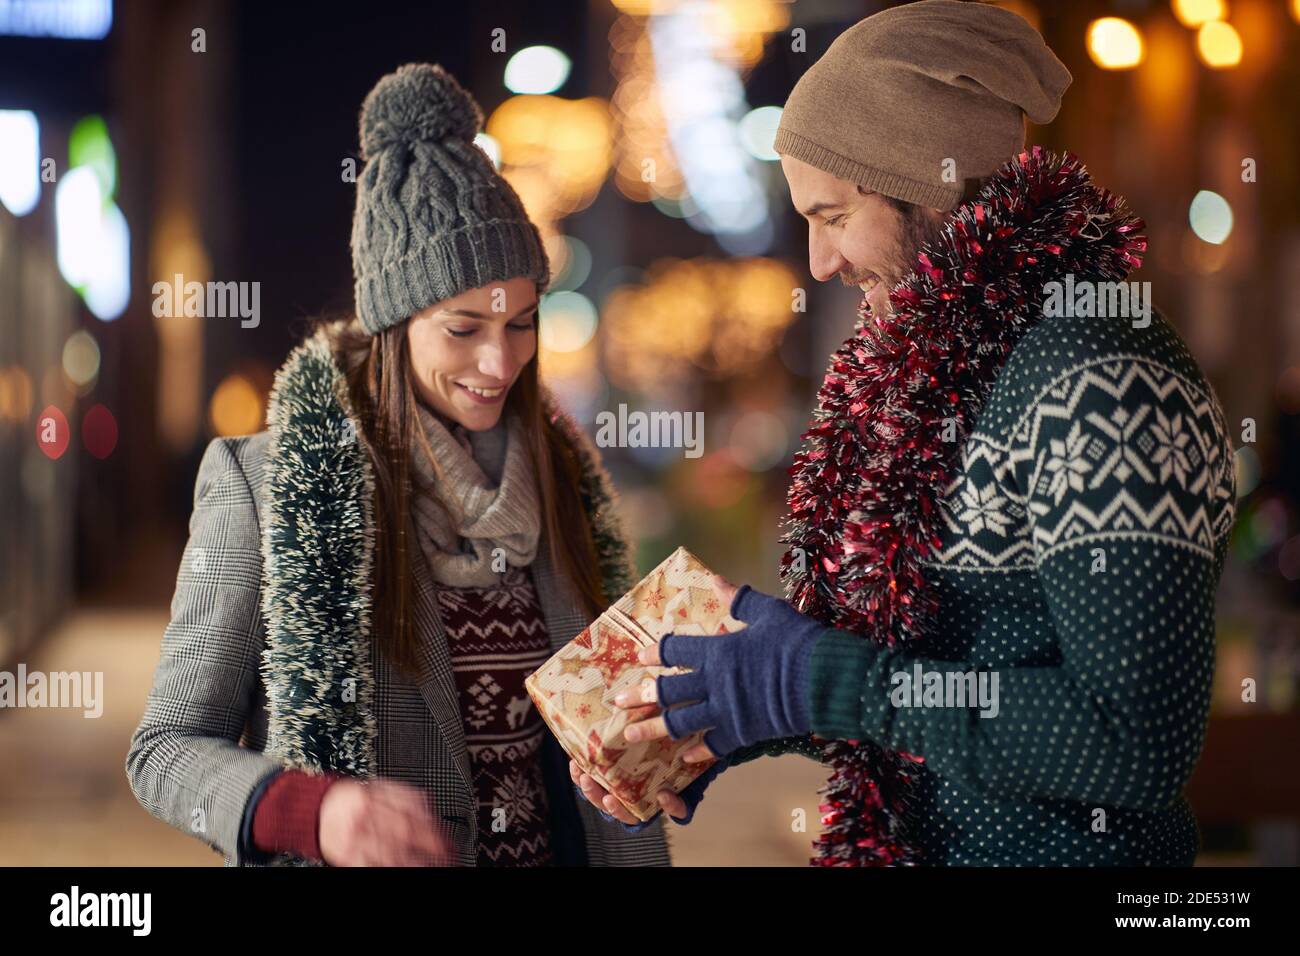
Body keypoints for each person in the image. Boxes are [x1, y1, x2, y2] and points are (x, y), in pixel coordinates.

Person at [578, 1, 1237, 866]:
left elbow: (1132, 741)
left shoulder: (1104, 376)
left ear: (932, 182)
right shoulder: (937, 374)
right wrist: (733, 714)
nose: (819, 263)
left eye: (835, 215)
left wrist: (816, 681)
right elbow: (927, 695)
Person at [125, 63, 676, 867]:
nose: (500, 361)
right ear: (394, 322)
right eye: (463, 329)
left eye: (522, 323)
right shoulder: (267, 488)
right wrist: (309, 813)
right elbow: (164, 750)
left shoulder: (563, 481)